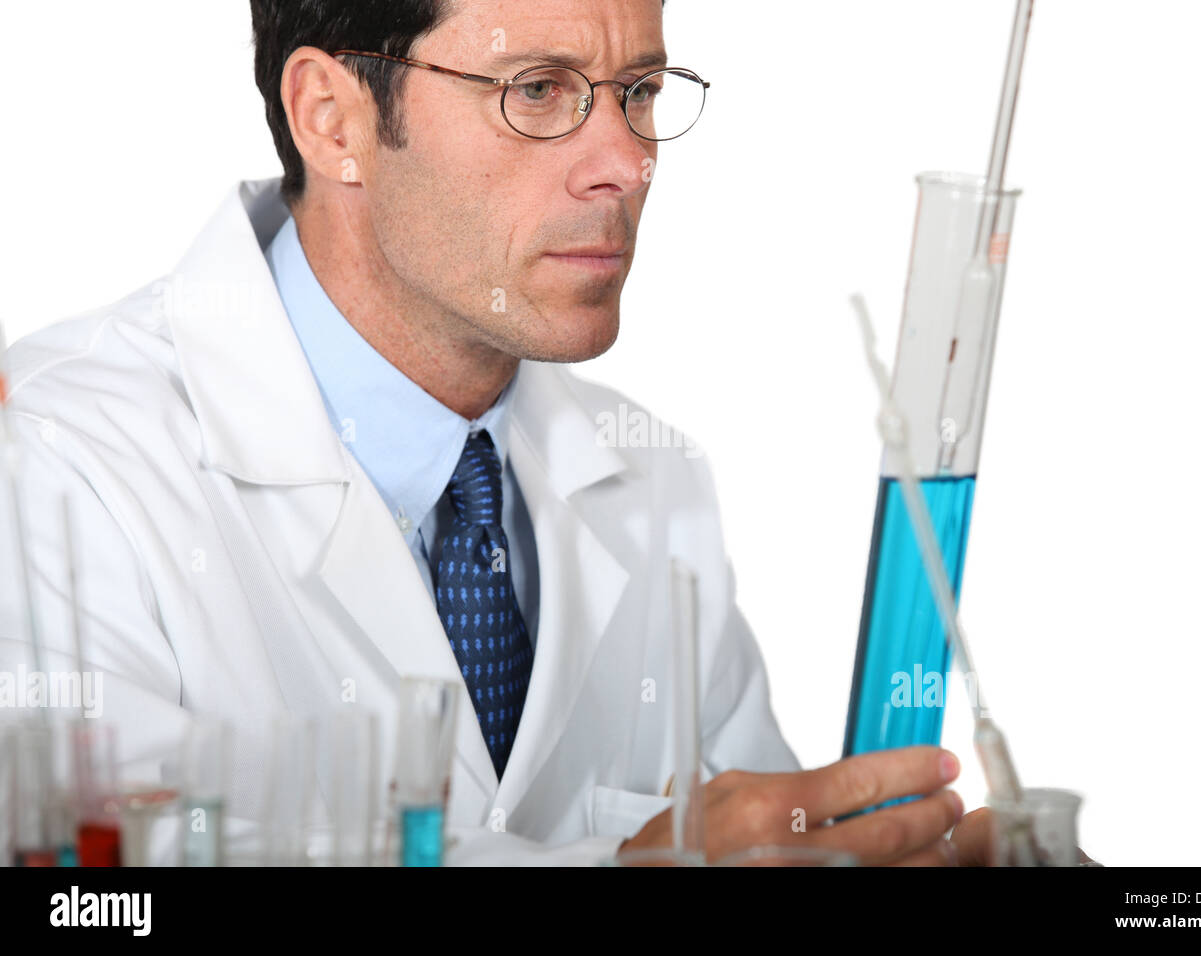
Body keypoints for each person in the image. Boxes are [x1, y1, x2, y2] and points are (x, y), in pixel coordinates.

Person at [0, 0, 994, 865]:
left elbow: (758, 828)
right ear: (330, 116)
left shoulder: (653, 482)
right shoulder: (56, 462)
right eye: (538, 91)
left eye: (638, 91)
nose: (627, 165)